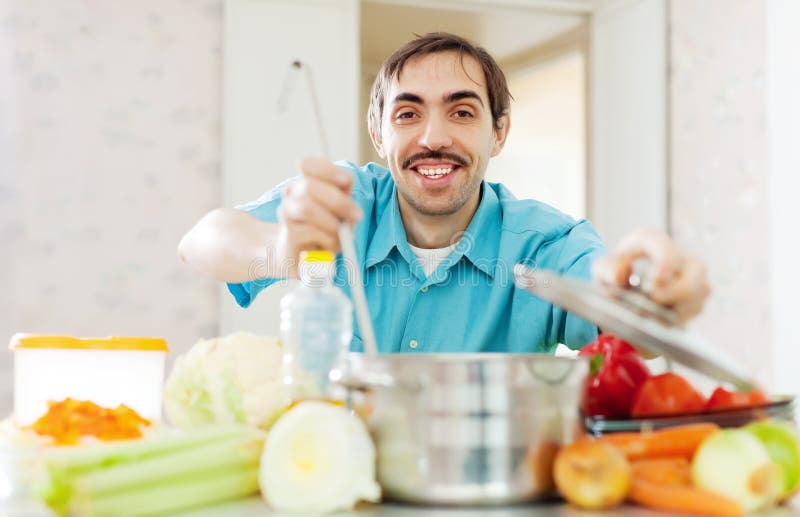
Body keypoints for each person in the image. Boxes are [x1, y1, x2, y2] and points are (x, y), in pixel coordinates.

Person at [179, 32, 709, 353]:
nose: (433, 138)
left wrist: (655, 291)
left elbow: (619, 308)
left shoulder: (543, 242)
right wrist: (280, 250)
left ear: (498, 132)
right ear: (378, 134)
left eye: (461, 111)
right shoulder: (342, 202)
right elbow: (202, 243)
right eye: (408, 114)